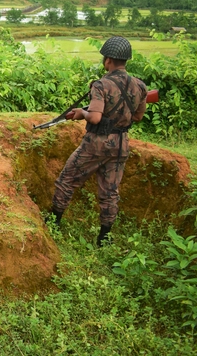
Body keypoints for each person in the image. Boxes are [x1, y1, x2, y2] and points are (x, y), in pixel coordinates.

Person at [49, 36, 147, 247]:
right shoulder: (139, 86)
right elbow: (138, 117)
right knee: (110, 192)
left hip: (96, 143)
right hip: (121, 144)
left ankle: (53, 224)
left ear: (108, 60)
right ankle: (104, 238)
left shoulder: (101, 84)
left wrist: (82, 113)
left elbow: (95, 117)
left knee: (67, 179)